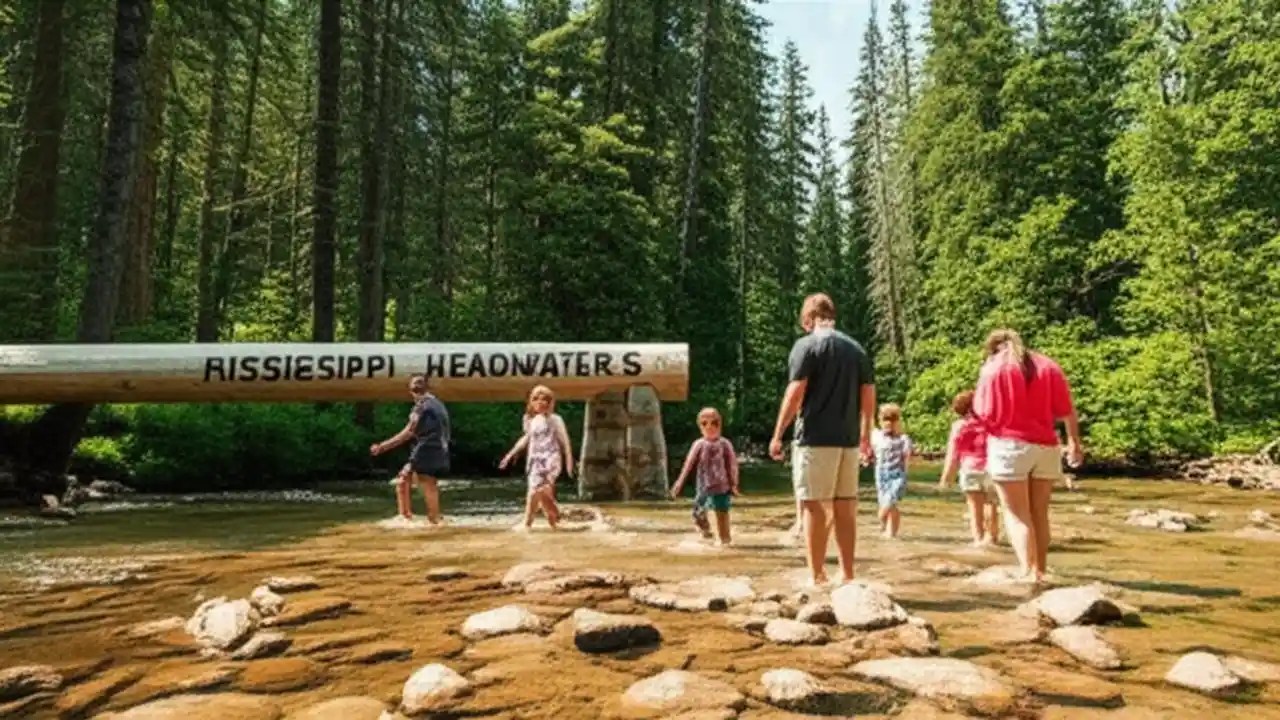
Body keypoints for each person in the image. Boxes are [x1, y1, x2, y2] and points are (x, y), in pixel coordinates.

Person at [769, 292, 876, 588]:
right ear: (833, 317)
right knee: (846, 507)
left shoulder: (806, 346)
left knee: (813, 506)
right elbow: (868, 395)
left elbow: (795, 392)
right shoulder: (856, 350)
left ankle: (816, 576)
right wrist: (866, 436)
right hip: (849, 440)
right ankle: (848, 574)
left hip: (815, 438)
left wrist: (778, 434)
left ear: (808, 320)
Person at [974, 329, 1083, 584]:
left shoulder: (993, 368)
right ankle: (1041, 569)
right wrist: (1074, 442)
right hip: (1046, 446)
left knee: (1016, 514)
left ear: (993, 348)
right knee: (1039, 513)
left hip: (1009, 446)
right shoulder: (1048, 365)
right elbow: (1067, 410)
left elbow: (982, 411)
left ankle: (1027, 571)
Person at [371, 374, 450, 524]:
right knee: (404, 479)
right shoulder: (438, 404)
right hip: (441, 449)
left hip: (427, 449)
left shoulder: (420, 406)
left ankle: (431, 520)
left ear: (411, 391)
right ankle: (408, 517)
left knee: (426, 482)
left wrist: (382, 446)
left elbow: (408, 432)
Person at [500, 385, 574, 531]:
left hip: (551, 459)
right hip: (535, 460)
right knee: (535, 492)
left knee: (539, 490)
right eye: (536, 399)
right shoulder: (529, 419)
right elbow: (526, 439)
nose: (541, 402)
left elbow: (565, 443)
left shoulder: (556, 420)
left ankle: (553, 516)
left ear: (550, 402)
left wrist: (569, 463)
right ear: (531, 402)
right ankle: (548, 523)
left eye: (545, 399)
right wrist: (510, 455)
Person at [670, 407, 740, 546]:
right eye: (704, 423)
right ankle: (706, 534)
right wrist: (679, 483)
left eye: (714, 423)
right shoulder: (699, 444)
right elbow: (688, 464)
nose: (710, 427)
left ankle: (724, 540)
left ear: (720, 424)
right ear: (700, 427)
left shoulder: (725, 444)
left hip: (721, 486)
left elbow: (732, 464)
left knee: (722, 512)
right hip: (703, 486)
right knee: (698, 514)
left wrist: (734, 484)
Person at [938, 390, 1000, 546]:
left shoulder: (959, 426)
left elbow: (953, 454)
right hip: (991, 469)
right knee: (991, 504)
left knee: (974, 507)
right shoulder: (990, 423)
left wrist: (947, 478)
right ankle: (992, 537)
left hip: (970, 469)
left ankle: (978, 539)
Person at [871, 403, 912, 539]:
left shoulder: (903, 439)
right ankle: (891, 532)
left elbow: (906, 457)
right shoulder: (876, 436)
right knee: (888, 504)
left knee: (888, 504)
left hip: (897, 475)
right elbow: (871, 452)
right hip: (881, 475)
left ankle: (884, 523)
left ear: (898, 421)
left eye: (893, 419)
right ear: (880, 421)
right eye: (886, 419)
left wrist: (905, 476)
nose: (889, 423)